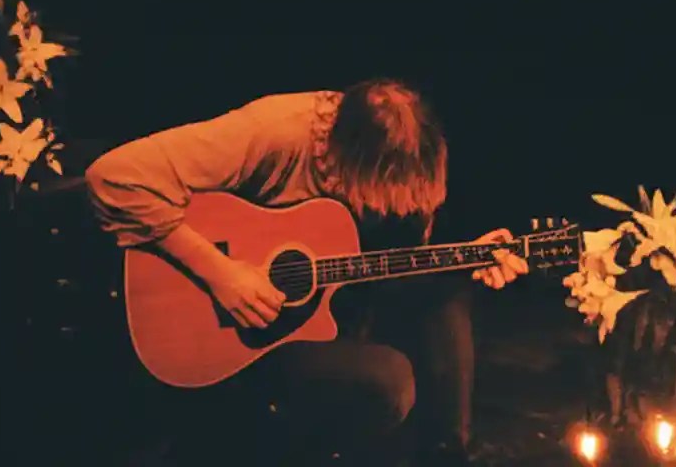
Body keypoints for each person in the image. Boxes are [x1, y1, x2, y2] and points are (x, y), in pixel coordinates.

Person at [85, 79, 530, 466]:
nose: (384, 203)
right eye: (382, 190)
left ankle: (448, 457)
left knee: (448, 295)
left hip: (331, 304)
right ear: (353, 164)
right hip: (240, 331)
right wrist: (221, 273)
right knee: (388, 381)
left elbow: (386, 259)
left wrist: (467, 258)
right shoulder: (272, 131)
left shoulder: (390, 148)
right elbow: (114, 176)